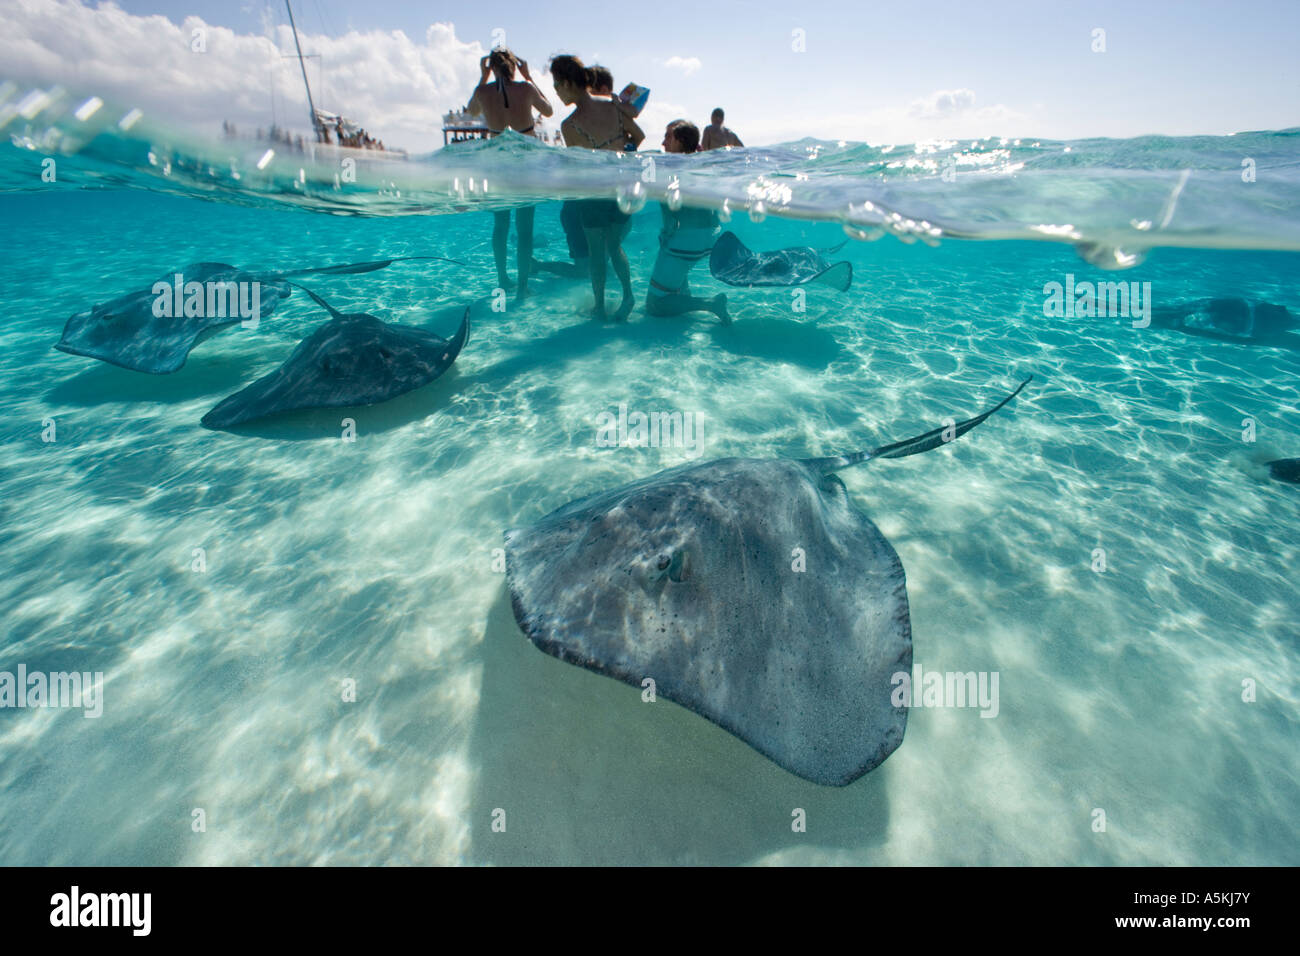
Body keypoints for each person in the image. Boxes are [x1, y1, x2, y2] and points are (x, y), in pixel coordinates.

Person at [550, 54, 645, 321]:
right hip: (622, 187)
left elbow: (578, 167)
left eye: (557, 84)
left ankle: (600, 307)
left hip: (593, 192)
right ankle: (628, 296)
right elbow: (638, 136)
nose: (556, 90)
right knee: (614, 246)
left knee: (596, 253)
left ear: (569, 83)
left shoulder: (569, 125)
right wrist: (621, 150)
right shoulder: (614, 106)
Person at [467, 47, 554, 301]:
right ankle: (523, 287)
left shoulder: (482, 92)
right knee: (525, 230)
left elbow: (471, 111)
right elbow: (548, 111)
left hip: (497, 166)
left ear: (491, 68)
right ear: (515, 66)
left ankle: (503, 278)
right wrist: (529, 78)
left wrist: (482, 78)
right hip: (525, 165)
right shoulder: (525, 89)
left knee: (500, 226)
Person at [645, 121, 729, 324]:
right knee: (676, 266)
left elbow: (669, 212)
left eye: (668, 137)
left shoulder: (670, 167)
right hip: (709, 237)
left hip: (688, 242)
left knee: (654, 305)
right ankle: (681, 298)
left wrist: (666, 235)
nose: (663, 142)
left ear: (679, 141)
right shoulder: (703, 164)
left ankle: (711, 304)